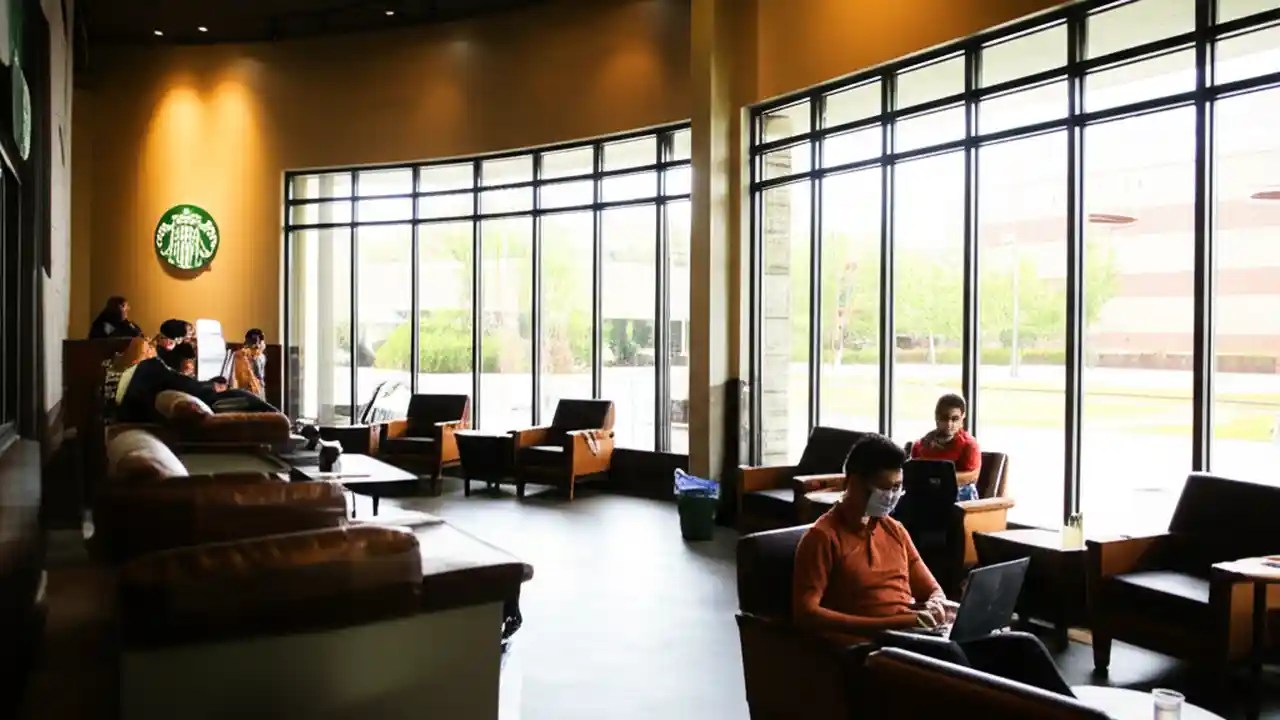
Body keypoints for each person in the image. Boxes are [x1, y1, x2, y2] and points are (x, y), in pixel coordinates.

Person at [791, 433, 1072, 695]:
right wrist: (888, 623)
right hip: (873, 644)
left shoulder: (894, 531)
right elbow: (806, 613)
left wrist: (937, 605)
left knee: (1023, 645)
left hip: (913, 631)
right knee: (953, 658)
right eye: (883, 488)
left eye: (897, 488)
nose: (891, 497)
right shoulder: (822, 538)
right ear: (852, 482)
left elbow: (932, 589)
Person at [115, 356, 279, 423]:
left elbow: (180, 381)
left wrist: (209, 384)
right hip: (203, 398)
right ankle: (281, 418)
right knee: (243, 396)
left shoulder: (138, 380)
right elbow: (184, 384)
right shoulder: (150, 366)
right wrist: (212, 387)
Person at [912, 393, 982, 501]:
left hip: (956, 498)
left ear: (963, 417)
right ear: (936, 417)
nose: (949, 424)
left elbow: (972, 477)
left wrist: (937, 481)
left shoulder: (969, 445)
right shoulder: (921, 444)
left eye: (955, 419)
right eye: (944, 419)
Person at [229, 328, 268, 399]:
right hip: (244, 391)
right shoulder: (239, 356)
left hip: (258, 389)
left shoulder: (261, 357)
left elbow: (259, 375)